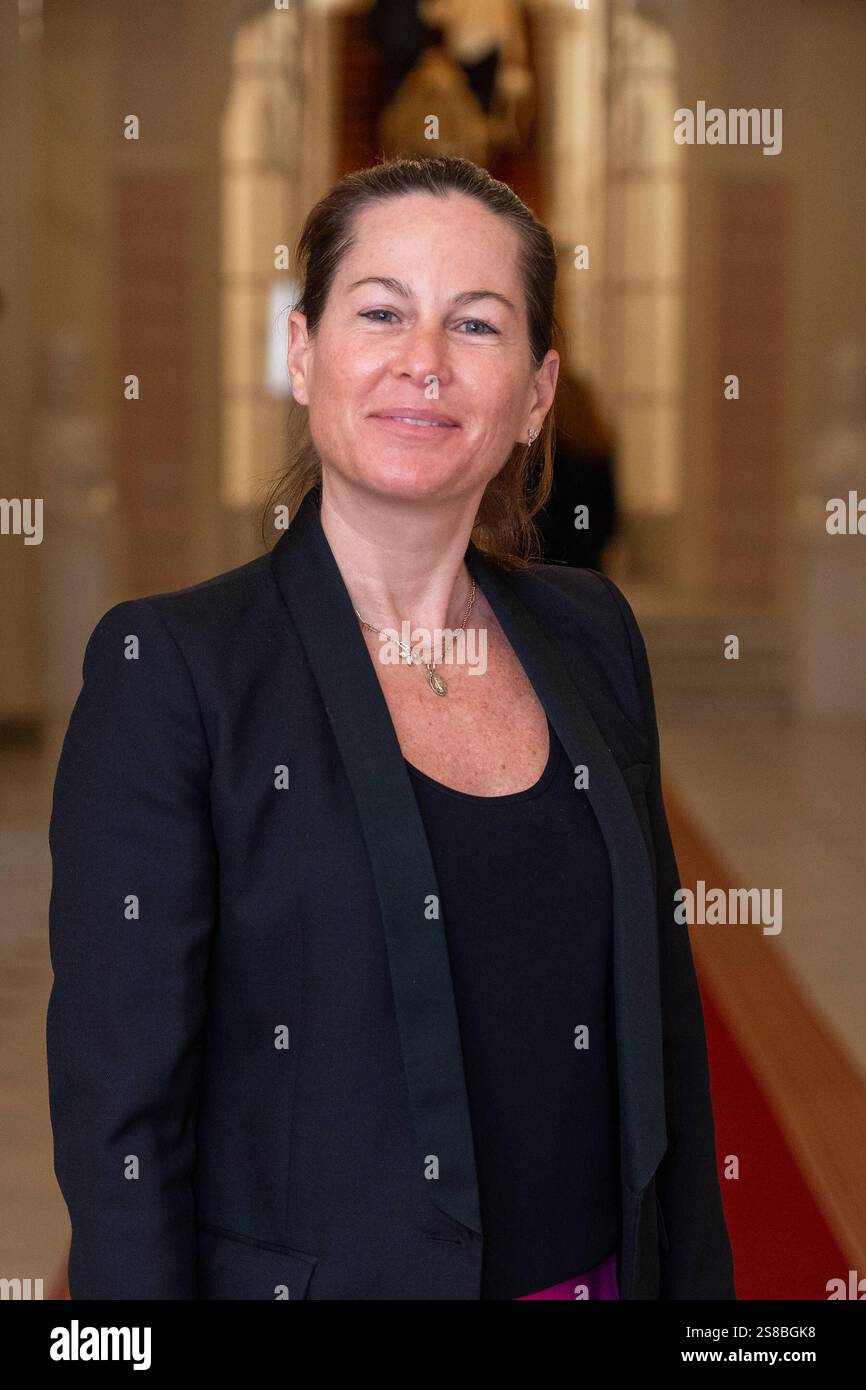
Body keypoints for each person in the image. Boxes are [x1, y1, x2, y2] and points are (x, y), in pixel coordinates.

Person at [46, 154, 735, 1301]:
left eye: (475, 323)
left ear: (534, 390)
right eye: (380, 312)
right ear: (303, 351)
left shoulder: (592, 633)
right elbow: (125, 1123)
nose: (423, 361)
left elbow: (664, 1041)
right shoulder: (174, 670)